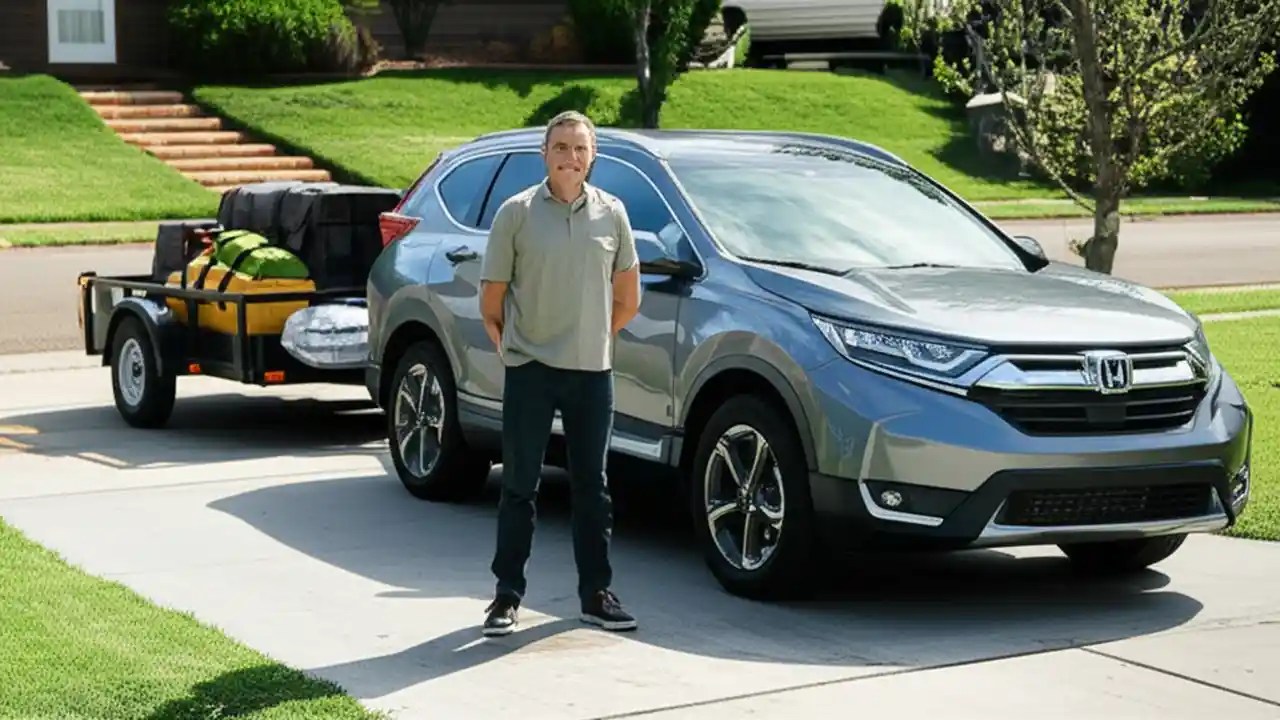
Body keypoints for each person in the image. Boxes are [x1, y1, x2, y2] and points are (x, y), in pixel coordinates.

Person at [477, 110, 642, 636]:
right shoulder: (516, 214)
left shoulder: (613, 214)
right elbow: (491, 303)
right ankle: (506, 596)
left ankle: (596, 594)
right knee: (519, 486)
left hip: (592, 373)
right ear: (544, 154)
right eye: (561, 147)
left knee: (592, 487)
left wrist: (593, 336)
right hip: (530, 370)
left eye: (580, 148)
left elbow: (628, 298)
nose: (571, 157)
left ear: (593, 157)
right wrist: (517, 349)